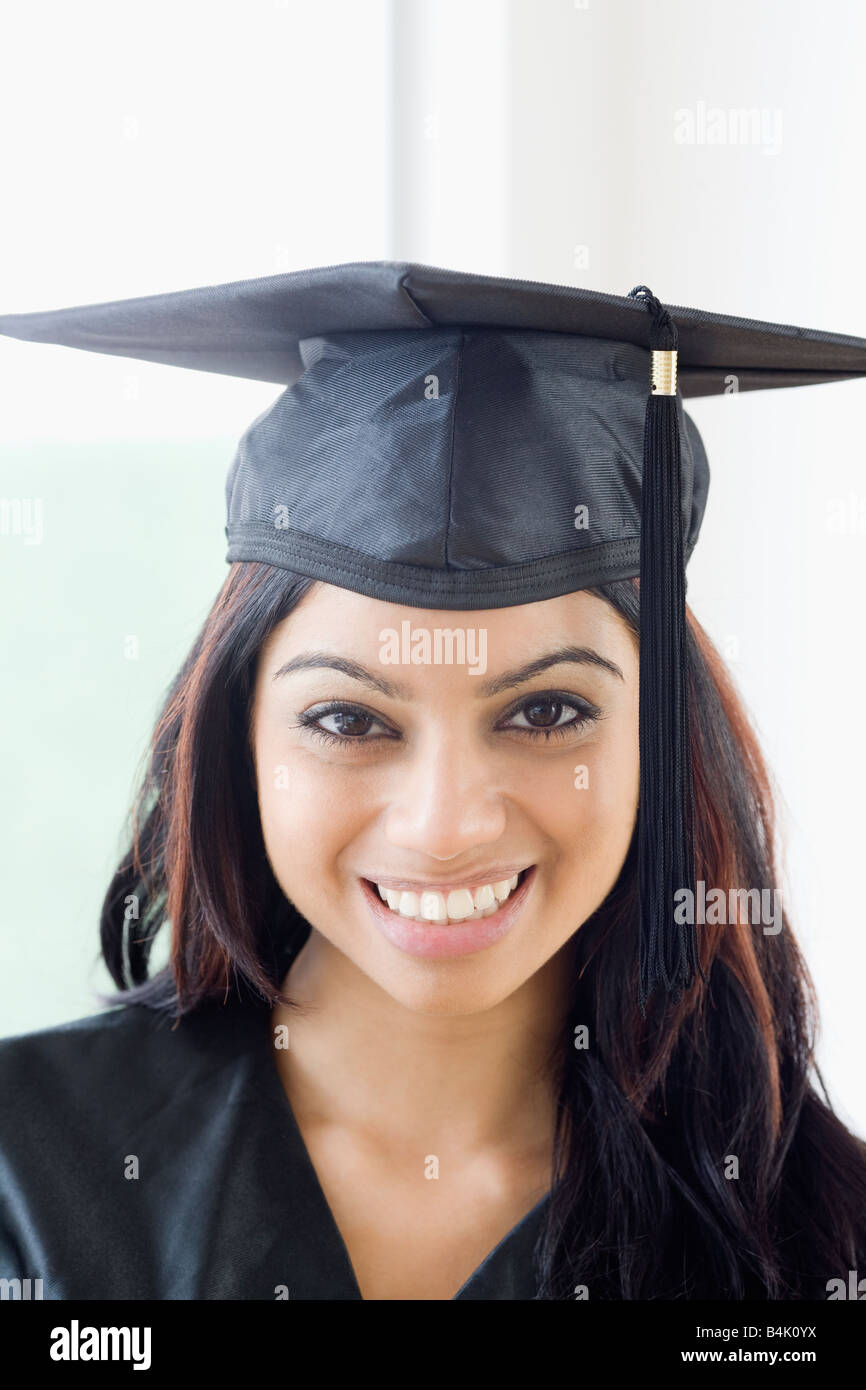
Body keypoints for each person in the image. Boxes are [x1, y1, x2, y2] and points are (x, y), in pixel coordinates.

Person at [0, 261, 864, 1300]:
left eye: (545, 712)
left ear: (663, 733)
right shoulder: (28, 1173)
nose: (445, 822)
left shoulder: (812, 1239)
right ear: (235, 735)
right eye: (348, 720)